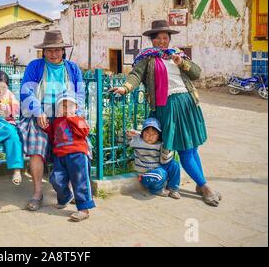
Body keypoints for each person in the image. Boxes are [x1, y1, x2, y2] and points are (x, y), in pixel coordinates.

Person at [110, 20, 222, 207]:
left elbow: (196, 73)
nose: (162, 41)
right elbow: (136, 75)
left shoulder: (177, 55)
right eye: (159, 38)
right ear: (152, 40)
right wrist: (125, 87)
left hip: (187, 103)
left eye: (165, 38)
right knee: (183, 149)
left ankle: (199, 183)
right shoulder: (147, 58)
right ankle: (204, 187)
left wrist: (182, 63)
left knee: (192, 147)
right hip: (167, 106)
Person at [18, 30, 86, 211]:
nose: (54, 54)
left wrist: (73, 113)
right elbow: (26, 91)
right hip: (41, 115)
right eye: (49, 50)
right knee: (36, 147)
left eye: (58, 50)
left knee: (74, 146)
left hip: (65, 116)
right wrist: (38, 111)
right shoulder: (35, 66)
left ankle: (69, 190)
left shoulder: (72, 68)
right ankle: (38, 193)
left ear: (63, 51)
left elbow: (80, 94)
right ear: (44, 52)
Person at [44, 92, 95, 222]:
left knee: (80, 181)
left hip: (77, 153)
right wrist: (45, 127)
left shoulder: (80, 118)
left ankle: (83, 209)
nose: (66, 109)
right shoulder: (56, 121)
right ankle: (65, 197)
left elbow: (85, 131)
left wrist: (72, 118)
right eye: (63, 106)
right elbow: (53, 136)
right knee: (56, 178)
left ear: (76, 107)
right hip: (60, 155)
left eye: (69, 105)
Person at [127, 118, 181, 199]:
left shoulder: (160, 143)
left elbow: (166, 158)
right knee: (160, 174)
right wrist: (129, 134)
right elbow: (123, 138)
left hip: (158, 169)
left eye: (154, 134)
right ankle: (156, 190)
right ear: (142, 133)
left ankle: (173, 188)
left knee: (175, 165)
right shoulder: (138, 141)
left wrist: (166, 149)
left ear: (158, 135)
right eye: (147, 133)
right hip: (146, 173)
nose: (150, 137)